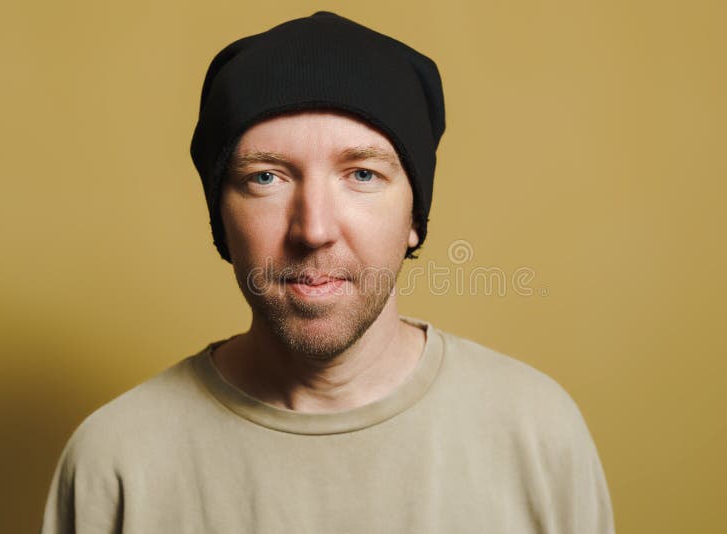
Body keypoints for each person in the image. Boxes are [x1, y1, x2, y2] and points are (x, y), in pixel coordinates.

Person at [41, 11, 615, 534]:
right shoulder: (112, 463)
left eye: (362, 174)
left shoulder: (539, 436)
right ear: (222, 218)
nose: (313, 228)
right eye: (266, 177)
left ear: (415, 216)